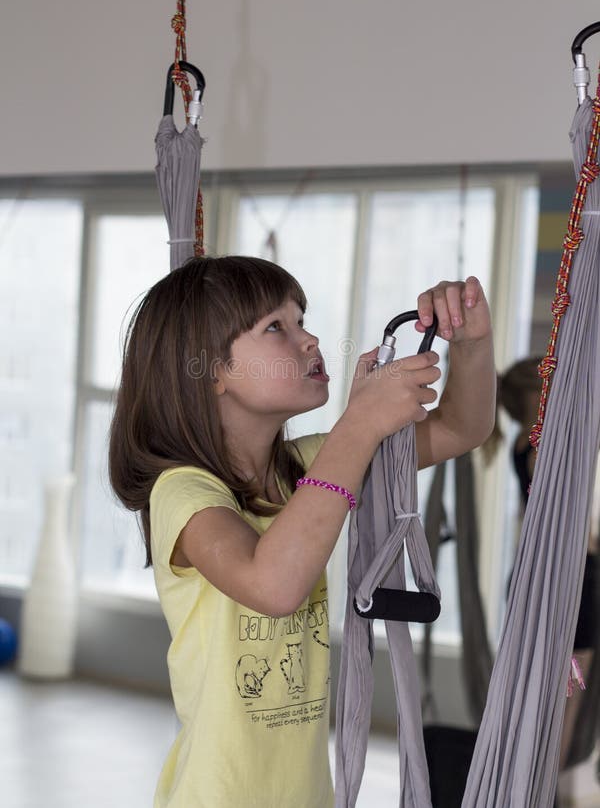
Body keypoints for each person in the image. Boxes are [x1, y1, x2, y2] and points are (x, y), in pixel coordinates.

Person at [109, 256, 495, 808]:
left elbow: (462, 427)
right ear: (212, 371)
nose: (311, 339)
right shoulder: (184, 492)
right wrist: (359, 424)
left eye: (302, 319)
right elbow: (274, 586)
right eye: (276, 327)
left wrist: (472, 344)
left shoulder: (308, 468)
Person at [498, 357, 599, 770]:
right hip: (563, 580)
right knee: (564, 693)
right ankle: (543, 782)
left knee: (562, 691)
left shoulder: (528, 442)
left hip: (562, 577)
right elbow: (560, 519)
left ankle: (542, 779)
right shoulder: (541, 445)